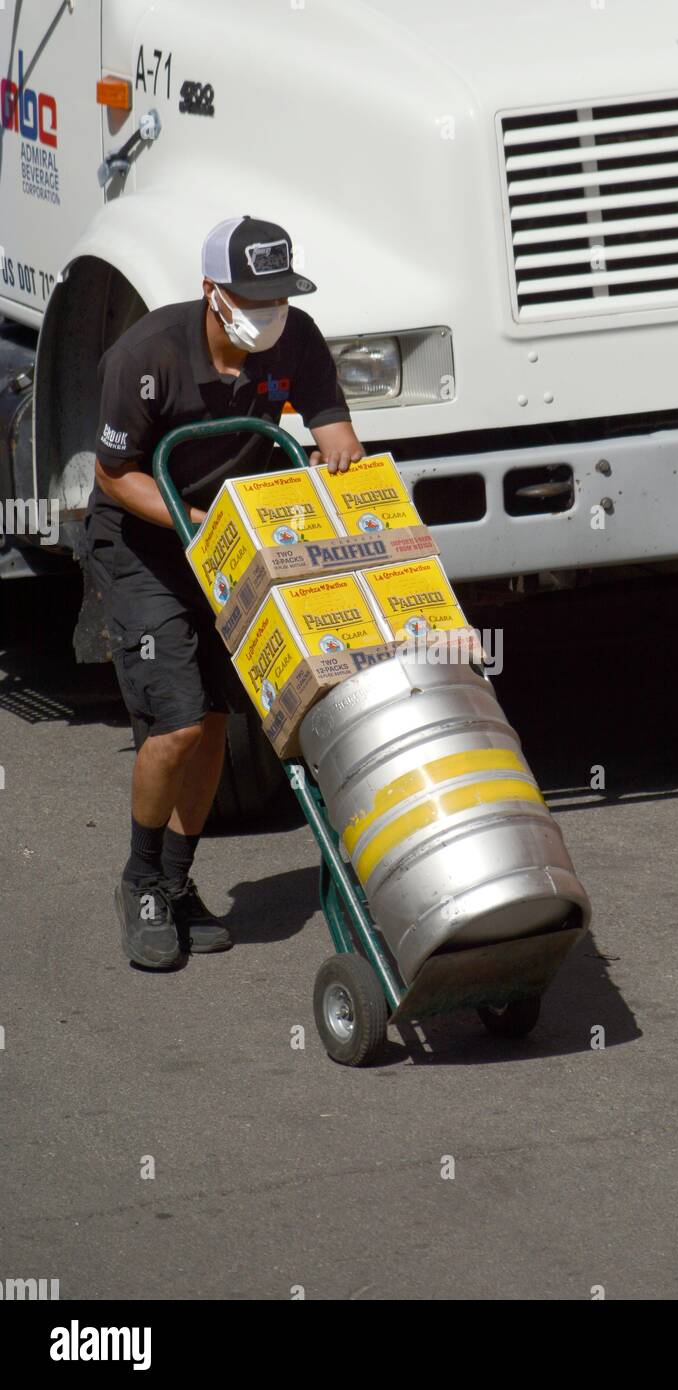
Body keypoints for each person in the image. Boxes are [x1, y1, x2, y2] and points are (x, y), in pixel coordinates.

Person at [85, 215, 364, 970]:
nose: (267, 313)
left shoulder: (294, 338)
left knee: (213, 723)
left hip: (233, 545)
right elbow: (114, 472)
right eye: (251, 298)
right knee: (173, 723)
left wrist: (339, 447)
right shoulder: (145, 357)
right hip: (146, 544)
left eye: (278, 297)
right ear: (211, 292)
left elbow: (332, 422)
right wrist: (193, 520)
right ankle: (140, 880)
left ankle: (177, 884)